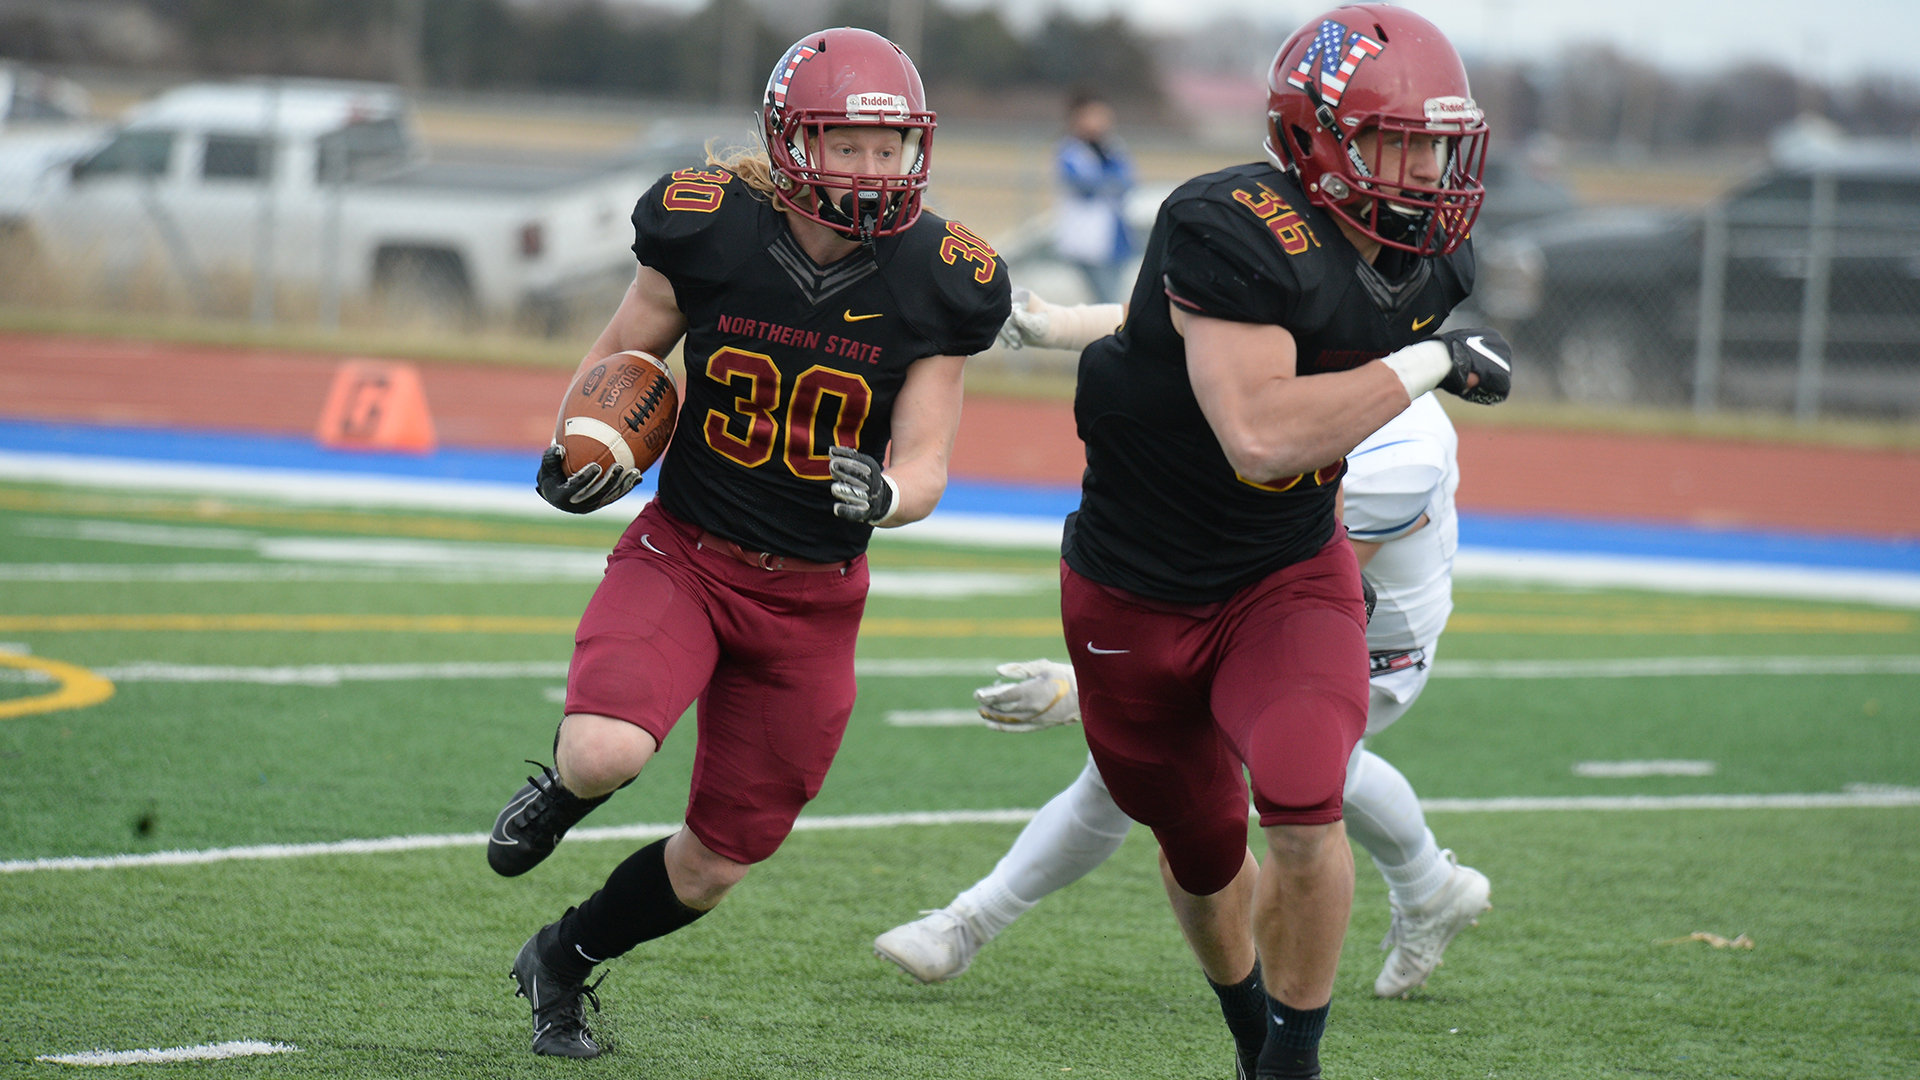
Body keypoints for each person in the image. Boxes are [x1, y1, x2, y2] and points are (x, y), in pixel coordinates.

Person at [895, 7, 1507, 1078]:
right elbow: (1258, 426)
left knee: (1306, 802)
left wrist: (1423, 363)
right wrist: (1432, 363)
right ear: (1318, 137)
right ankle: (1251, 1033)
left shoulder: (1429, 267)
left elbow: (1303, 382)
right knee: (1200, 843)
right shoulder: (1231, 227)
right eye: (1396, 142)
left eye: (1437, 146)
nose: (1426, 173)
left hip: (1286, 571)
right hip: (1135, 583)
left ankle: (1292, 1061)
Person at [483, 27, 1009, 1060]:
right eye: (846, 145)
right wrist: (577, 443)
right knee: (602, 751)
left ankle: (563, 957)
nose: (872, 167)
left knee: (718, 863)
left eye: (890, 145)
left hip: (813, 599)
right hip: (687, 553)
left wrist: (887, 493)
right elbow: (624, 355)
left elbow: (927, 462)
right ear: (791, 141)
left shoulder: (939, 275)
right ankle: (566, 792)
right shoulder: (710, 225)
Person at [874, 386, 1489, 1009]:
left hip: (1361, 638)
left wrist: (1093, 687)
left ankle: (969, 923)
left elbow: (1292, 585)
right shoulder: (1273, 377)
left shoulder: (1401, 448)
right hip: (1260, 608)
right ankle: (1432, 887)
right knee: (1305, 775)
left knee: (1160, 774)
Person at [1052, 89, 1136, 304]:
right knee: (1106, 301)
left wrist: (1108, 182)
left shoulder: (1113, 148)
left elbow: (1128, 182)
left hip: (1116, 237)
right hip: (1087, 240)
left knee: (1114, 300)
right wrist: (1109, 183)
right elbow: (1085, 186)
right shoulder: (1070, 151)